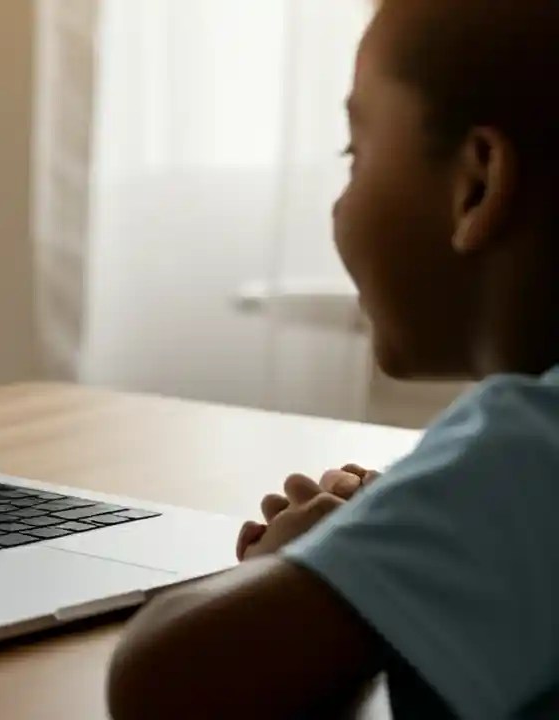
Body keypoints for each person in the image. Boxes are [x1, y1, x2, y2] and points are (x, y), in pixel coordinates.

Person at [106, 1, 559, 717]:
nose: (339, 207)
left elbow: (165, 679)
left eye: (356, 155)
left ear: (477, 184)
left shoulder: (529, 451)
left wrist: (312, 553)